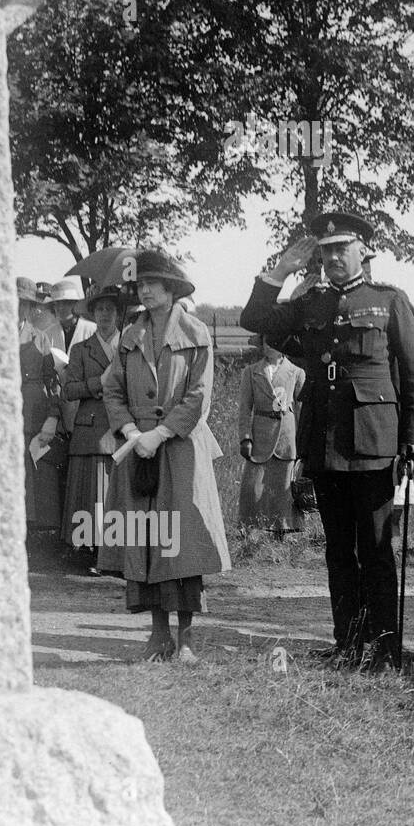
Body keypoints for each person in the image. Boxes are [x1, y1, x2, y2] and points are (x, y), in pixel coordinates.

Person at [239, 211, 414, 670]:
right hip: (324, 441)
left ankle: (384, 649)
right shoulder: (312, 302)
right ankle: (348, 645)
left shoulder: (388, 301)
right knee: (339, 549)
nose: (334, 257)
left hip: (373, 441)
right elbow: (255, 318)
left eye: (342, 248)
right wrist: (281, 271)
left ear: (364, 250)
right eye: (326, 250)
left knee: (377, 548)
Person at [102, 250, 231, 663]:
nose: (144, 289)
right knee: (145, 540)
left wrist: (160, 433)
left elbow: (198, 396)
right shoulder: (129, 337)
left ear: (172, 287)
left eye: (152, 282)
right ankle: (157, 635)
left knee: (184, 542)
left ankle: (187, 638)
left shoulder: (196, 334)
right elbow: (113, 390)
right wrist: (130, 431)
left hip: (180, 449)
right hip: (138, 449)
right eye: (140, 283)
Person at [62, 283, 125, 569]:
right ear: (92, 314)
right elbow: (70, 390)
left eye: (109, 310)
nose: (104, 315)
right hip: (90, 428)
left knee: (117, 490)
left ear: (118, 314)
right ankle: (90, 550)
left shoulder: (129, 346)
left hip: (121, 426)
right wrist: (97, 384)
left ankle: (118, 553)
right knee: (92, 491)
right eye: (99, 310)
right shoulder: (80, 349)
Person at [237, 335, 306, 536]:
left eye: (274, 342)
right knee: (253, 485)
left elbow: (302, 410)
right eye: (266, 342)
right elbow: (244, 409)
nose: (269, 346)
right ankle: (250, 530)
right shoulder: (251, 372)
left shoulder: (296, 372)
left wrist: (303, 441)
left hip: (286, 437)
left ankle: (284, 530)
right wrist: (245, 438)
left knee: (285, 485)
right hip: (260, 436)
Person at [18, 278, 66, 548]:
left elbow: (53, 382)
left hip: (33, 413)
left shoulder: (40, 338)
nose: (18, 309)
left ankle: (31, 539)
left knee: (33, 475)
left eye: (25, 304)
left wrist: (52, 417)